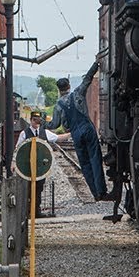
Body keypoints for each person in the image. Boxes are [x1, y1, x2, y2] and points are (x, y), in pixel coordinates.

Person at [48, 62, 108, 199]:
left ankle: (95, 194)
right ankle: (101, 191)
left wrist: (41, 123)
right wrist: (96, 64)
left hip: (76, 134)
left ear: (59, 89)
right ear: (69, 86)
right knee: (95, 159)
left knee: (85, 164)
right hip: (88, 129)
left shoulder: (58, 105)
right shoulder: (78, 93)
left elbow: (54, 124)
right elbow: (87, 79)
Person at [16, 111, 69, 216]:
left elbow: (58, 138)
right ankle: (27, 212)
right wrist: (14, 164)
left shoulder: (45, 132)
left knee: (39, 189)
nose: (36, 122)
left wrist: (72, 133)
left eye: (38, 120)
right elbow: (18, 149)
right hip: (27, 167)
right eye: (34, 120)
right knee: (28, 189)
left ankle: (36, 211)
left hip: (40, 168)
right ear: (31, 120)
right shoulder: (24, 133)